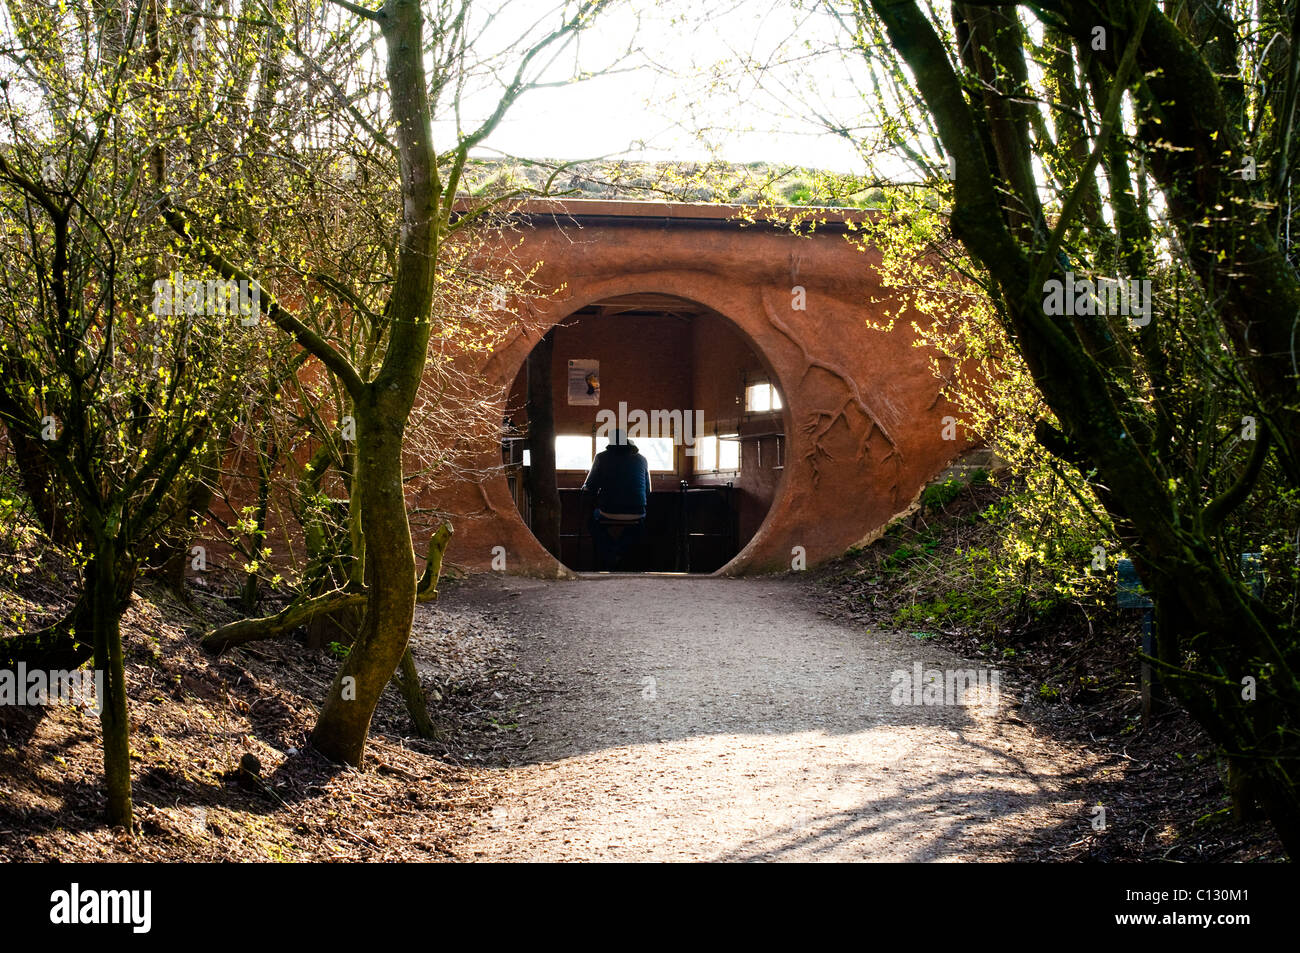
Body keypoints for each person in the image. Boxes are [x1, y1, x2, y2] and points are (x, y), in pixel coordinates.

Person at [582, 429, 650, 571]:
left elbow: (590, 487)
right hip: (638, 511)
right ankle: (622, 553)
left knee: (592, 522)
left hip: (608, 510)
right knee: (637, 526)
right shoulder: (642, 459)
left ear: (610, 441)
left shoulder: (601, 457)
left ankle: (611, 552)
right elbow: (648, 490)